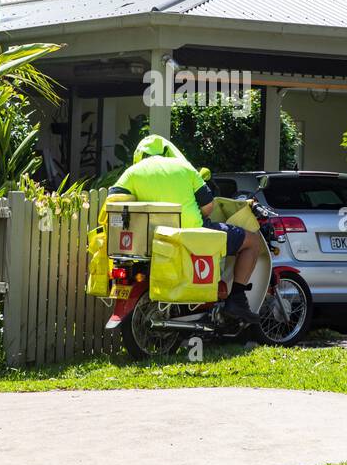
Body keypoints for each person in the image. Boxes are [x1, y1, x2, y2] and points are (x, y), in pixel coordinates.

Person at [109, 134, 261, 323]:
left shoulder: (132, 172)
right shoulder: (185, 168)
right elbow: (208, 207)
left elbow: (115, 200)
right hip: (193, 234)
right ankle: (237, 299)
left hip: (150, 240)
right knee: (252, 242)